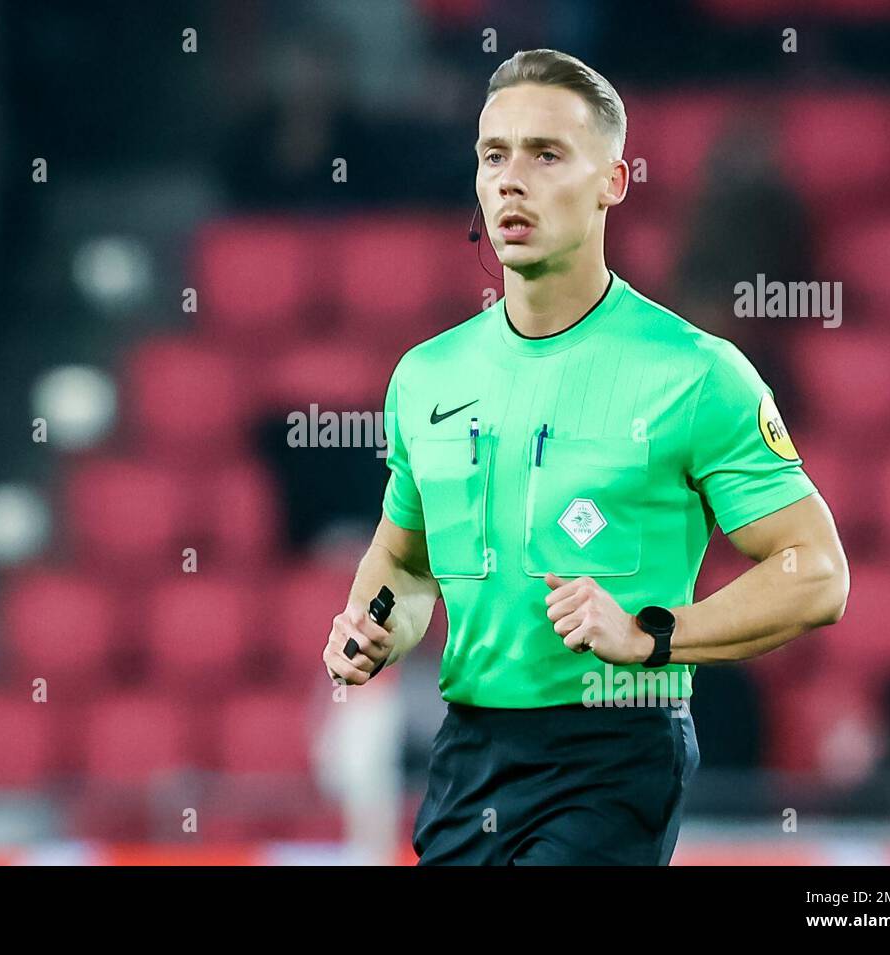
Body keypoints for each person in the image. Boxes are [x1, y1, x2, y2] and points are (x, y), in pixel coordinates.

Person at [321, 49, 849, 866]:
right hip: (467, 758)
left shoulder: (693, 373)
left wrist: (652, 634)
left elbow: (817, 572)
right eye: (494, 155)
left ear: (613, 181)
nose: (510, 180)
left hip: (615, 749)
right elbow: (406, 562)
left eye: (546, 154)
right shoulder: (426, 375)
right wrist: (377, 626)